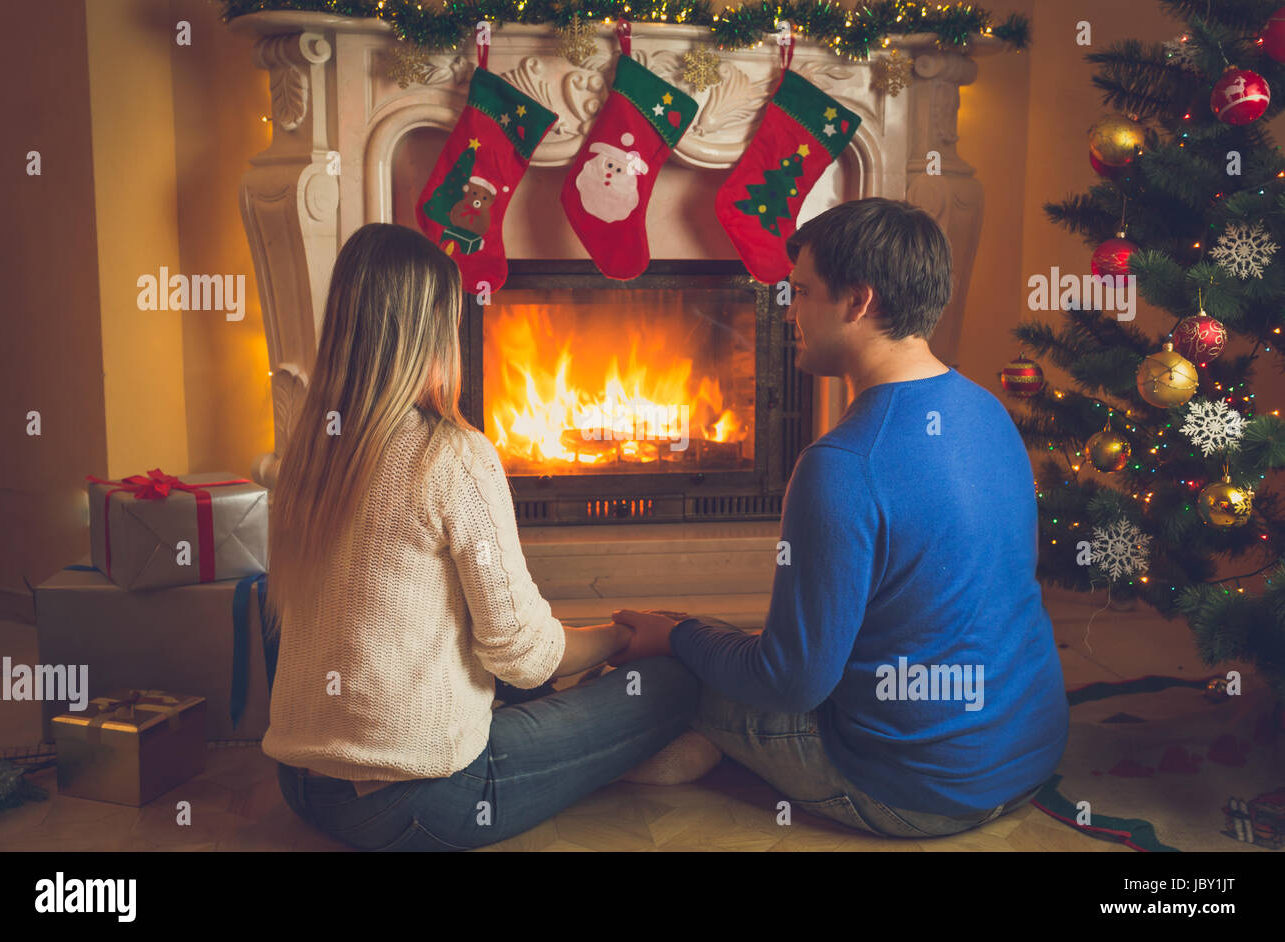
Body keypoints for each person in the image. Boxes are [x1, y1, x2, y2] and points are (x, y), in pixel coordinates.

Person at [613, 198, 1069, 839]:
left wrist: (676, 636)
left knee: (674, 670)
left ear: (858, 301)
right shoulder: (986, 408)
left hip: (914, 792)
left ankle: (599, 746)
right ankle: (712, 742)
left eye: (800, 292)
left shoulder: (842, 464)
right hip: (1026, 756)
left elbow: (792, 680)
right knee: (735, 642)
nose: (789, 310)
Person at [261, 222, 698, 851]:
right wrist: (630, 635)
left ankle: (595, 751)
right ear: (434, 328)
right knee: (673, 683)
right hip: (417, 801)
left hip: (304, 786)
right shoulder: (449, 454)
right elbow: (523, 654)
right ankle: (620, 751)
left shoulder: (308, 450)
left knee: (536, 682)